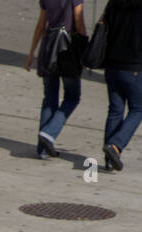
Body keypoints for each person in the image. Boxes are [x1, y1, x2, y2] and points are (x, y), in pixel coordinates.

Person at [25, 0, 88, 159]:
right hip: (67, 49)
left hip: (48, 47)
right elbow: (79, 25)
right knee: (72, 97)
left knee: (50, 97)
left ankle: (42, 149)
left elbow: (41, 25)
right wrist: (85, 51)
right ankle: (48, 133)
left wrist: (32, 53)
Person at [101, 0, 142, 170]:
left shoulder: (114, 2)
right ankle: (116, 145)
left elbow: (104, 26)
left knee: (115, 109)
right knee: (138, 108)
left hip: (112, 63)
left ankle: (110, 158)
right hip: (134, 65)